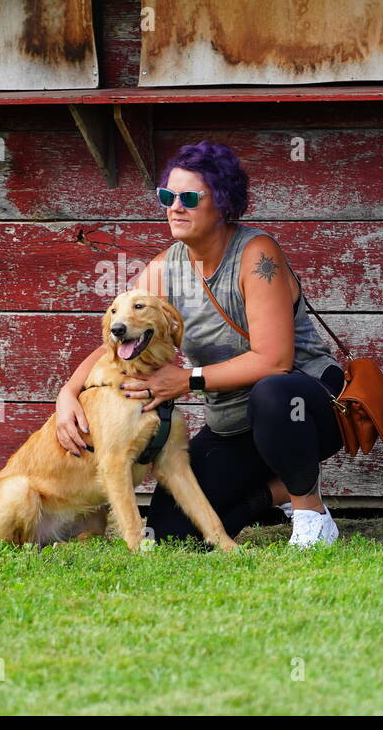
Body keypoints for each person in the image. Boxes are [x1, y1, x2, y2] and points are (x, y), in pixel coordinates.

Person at [53, 141, 345, 548]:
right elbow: (123, 333)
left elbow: (275, 360)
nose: (175, 207)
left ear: (223, 203)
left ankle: (311, 511)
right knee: (171, 532)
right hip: (233, 420)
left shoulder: (256, 256)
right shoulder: (165, 267)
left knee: (273, 394)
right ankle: (278, 493)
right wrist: (68, 392)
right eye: (167, 197)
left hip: (305, 406)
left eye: (189, 197)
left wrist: (186, 381)